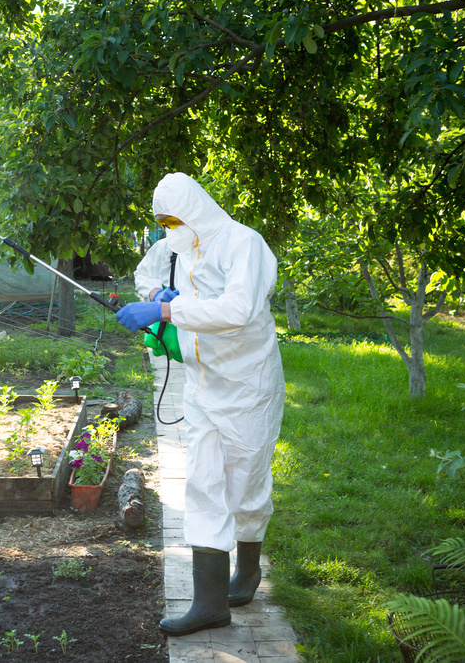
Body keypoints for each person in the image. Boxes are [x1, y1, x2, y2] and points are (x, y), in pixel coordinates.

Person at [115, 172, 285, 636]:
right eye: (162, 220)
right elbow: (144, 274)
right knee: (204, 482)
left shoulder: (242, 243)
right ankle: (210, 603)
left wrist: (169, 310)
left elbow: (239, 309)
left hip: (248, 385)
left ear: (197, 209)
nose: (169, 228)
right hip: (202, 382)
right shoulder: (174, 244)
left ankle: (247, 570)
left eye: (174, 218)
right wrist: (156, 294)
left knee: (246, 485)